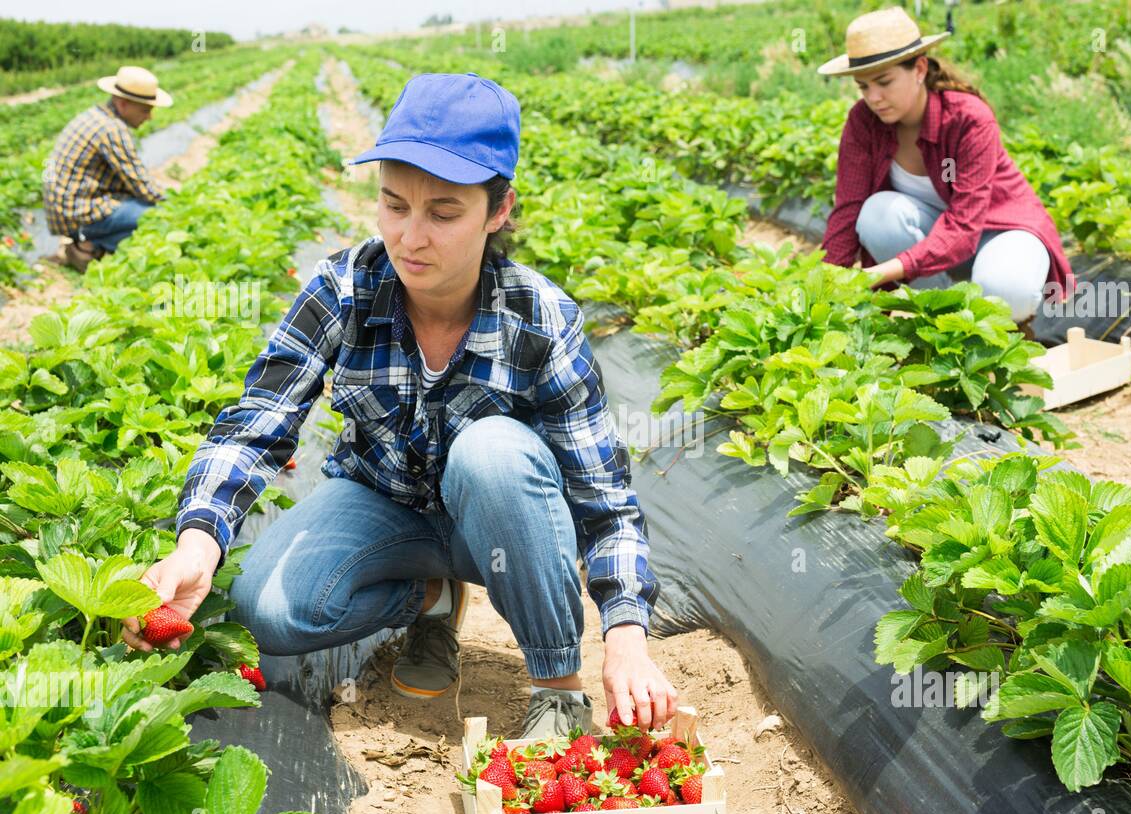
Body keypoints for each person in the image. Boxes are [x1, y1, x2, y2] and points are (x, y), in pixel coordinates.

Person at [121, 73, 678, 739]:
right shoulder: (343, 287)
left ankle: (556, 685)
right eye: (393, 205)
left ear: (498, 211)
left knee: (492, 453)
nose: (411, 237)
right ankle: (433, 600)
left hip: (500, 527)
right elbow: (256, 421)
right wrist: (197, 542)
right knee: (265, 607)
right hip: (383, 508)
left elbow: (604, 498)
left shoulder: (540, 318)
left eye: (444, 213)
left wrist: (625, 636)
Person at [818, 7, 1072, 321]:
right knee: (876, 214)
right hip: (936, 238)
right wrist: (825, 291)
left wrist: (877, 274)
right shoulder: (864, 122)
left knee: (1006, 289)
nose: (874, 97)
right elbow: (848, 210)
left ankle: (998, 330)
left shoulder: (967, 118)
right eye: (864, 86)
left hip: (999, 230)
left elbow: (964, 228)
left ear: (920, 69)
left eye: (884, 82)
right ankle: (944, 320)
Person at [42, 65, 171, 272]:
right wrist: (175, 206)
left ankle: (88, 243)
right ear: (122, 104)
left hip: (65, 209)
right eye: (145, 110)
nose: (149, 117)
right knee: (156, 217)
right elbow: (141, 184)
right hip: (76, 216)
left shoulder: (96, 115)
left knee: (141, 208)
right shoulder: (112, 129)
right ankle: (87, 246)